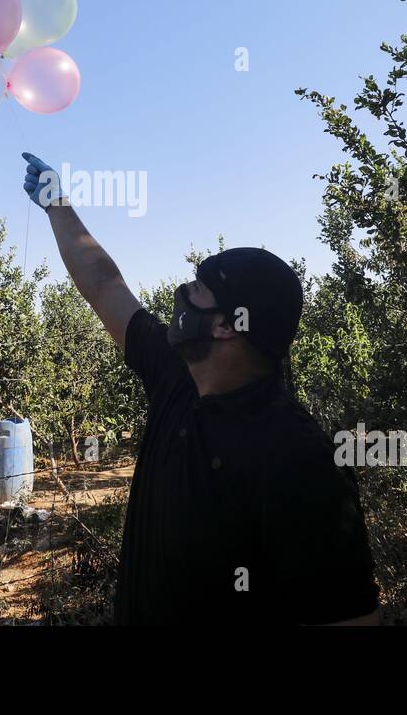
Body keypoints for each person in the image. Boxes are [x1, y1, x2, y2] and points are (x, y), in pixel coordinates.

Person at [21, 152, 380, 625]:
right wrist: (58, 205)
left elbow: (347, 618)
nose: (183, 293)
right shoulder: (176, 377)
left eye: (199, 288)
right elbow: (105, 284)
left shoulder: (300, 457)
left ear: (230, 325)